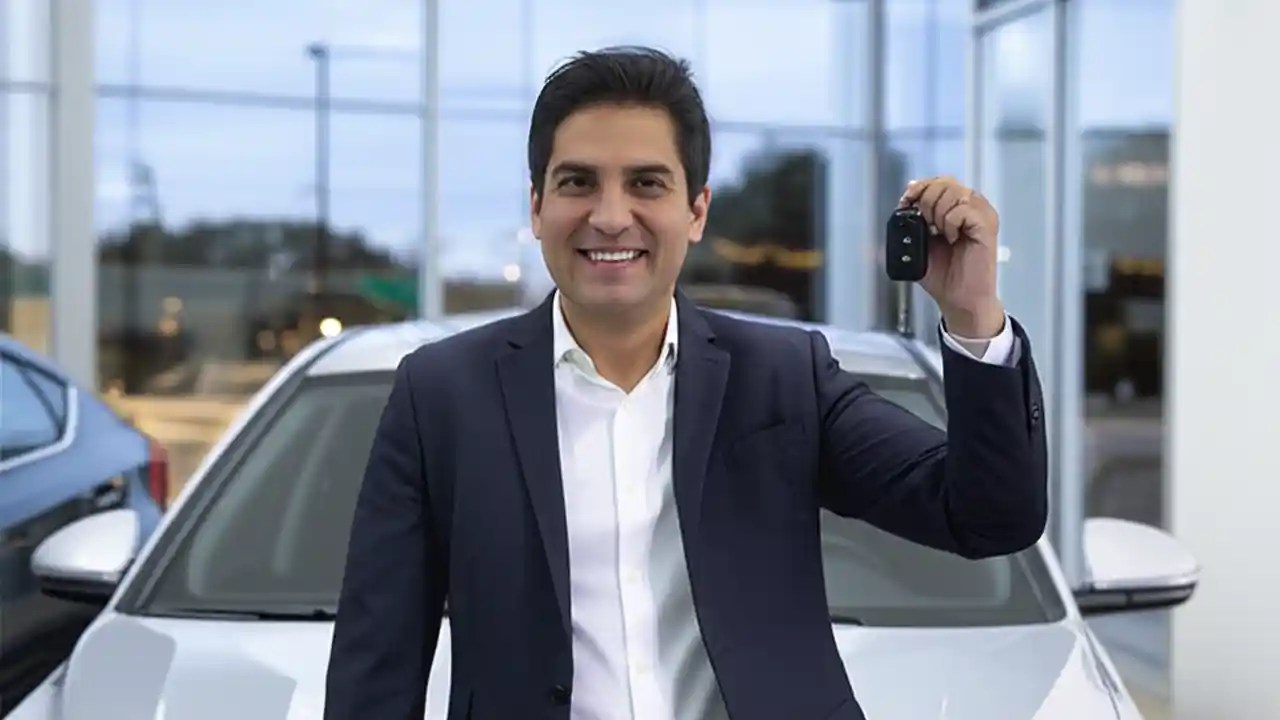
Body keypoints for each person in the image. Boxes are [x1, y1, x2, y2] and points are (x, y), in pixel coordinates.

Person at [324, 46, 1047, 720]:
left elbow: (990, 517)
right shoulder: (441, 397)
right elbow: (376, 669)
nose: (611, 217)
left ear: (696, 210)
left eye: (646, 183)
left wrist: (973, 316)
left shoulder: (784, 380)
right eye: (578, 182)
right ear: (537, 206)